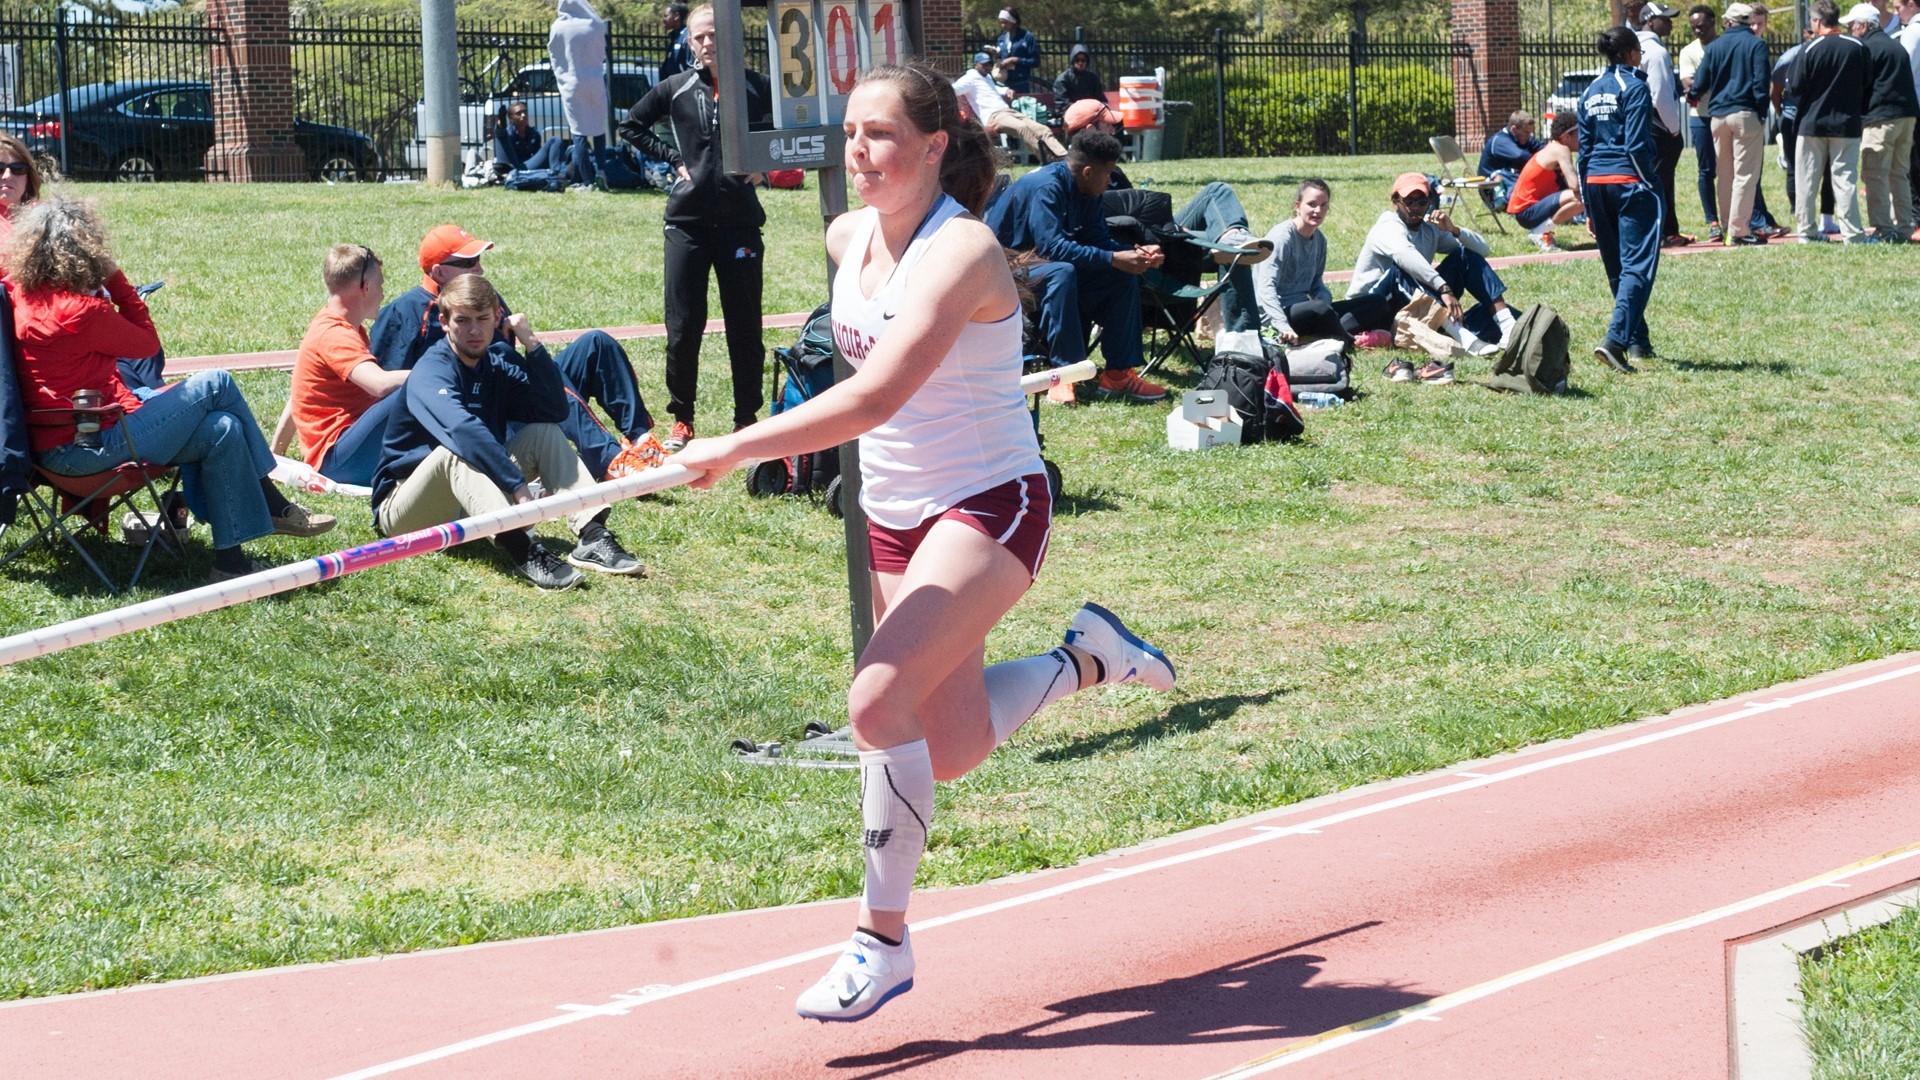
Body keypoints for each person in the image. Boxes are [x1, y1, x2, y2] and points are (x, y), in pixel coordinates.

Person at [670, 60, 1174, 1025]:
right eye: (850, 133)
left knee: (876, 701)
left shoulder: (965, 251)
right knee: (952, 746)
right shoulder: (846, 234)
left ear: (936, 146)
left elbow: (876, 396)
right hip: (894, 515)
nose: (859, 151)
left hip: (989, 503)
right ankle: (1091, 659)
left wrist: (735, 447)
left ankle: (882, 942)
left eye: (882, 135)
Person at [4, 199, 335, 582]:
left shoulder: (19, 295)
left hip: (53, 445)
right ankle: (272, 501)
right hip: (88, 449)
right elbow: (146, 344)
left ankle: (230, 563)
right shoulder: (80, 311)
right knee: (218, 382)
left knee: (222, 428)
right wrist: (115, 279)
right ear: (85, 252)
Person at [371, 273, 644, 590]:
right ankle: (524, 550)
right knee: (454, 453)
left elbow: (554, 410)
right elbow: (462, 431)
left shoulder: (496, 365)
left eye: (482, 319)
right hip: (407, 509)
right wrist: (517, 486)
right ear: (444, 322)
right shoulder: (431, 370)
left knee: (543, 432)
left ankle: (592, 534)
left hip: (475, 495)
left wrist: (532, 345)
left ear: (497, 318)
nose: (474, 331)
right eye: (463, 320)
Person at [367, 224, 654, 480]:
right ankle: (609, 459)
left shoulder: (483, 296)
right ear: (439, 272)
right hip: (478, 412)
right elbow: (391, 395)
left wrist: (531, 345)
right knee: (556, 387)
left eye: (479, 260)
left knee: (596, 344)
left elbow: (511, 363)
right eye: (468, 263)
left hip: (511, 393)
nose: (479, 269)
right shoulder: (406, 312)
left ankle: (641, 440)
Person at [617, 3, 771, 451]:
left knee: (746, 326)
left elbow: (788, 130)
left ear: (731, 35)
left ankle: (747, 420)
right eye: (698, 36)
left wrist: (764, 165)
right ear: (689, 41)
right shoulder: (676, 86)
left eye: (713, 34)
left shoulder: (758, 87)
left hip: (740, 223)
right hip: (686, 224)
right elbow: (630, 125)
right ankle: (682, 418)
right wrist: (673, 159)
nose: (706, 43)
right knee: (683, 327)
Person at [984, 130, 1171, 403]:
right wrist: (1113, 258)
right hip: (1005, 269)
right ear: (1087, 171)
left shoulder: (1087, 188)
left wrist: (1131, 254)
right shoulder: (1047, 187)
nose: (1110, 181)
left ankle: (1118, 375)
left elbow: (1097, 239)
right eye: (1107, 174)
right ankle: (1065, 374)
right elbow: (1051, 248)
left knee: (1121, 276)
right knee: (1062, 272)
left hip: (1044, 266)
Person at [1346, 172, 1522, 383]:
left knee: (1465, 257)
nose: (1415, 207)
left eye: (1422, 201)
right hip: (1374, 309)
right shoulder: (1387, 225)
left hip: (1417, 307)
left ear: (1430, 202)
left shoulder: (1429, 228)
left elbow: (1482, 251)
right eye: (1408, 201)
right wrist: (1443, 288)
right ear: (1395, 201)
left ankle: (1508, 327)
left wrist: (1454, 230)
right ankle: (1463, 337)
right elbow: (1404, 255)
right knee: (1401, 270)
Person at [273, 245, 406, 487]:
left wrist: (274, 455)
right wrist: (435, 372)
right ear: (365, 287)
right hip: (338, 461)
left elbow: (297, 396)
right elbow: (379, 384)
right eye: (380, 285)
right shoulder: (335, 334)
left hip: (339, 455)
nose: (383, 294)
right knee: (410, 392)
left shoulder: (336, 324)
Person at [1581, 27, 1664, 374]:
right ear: (1630, 54)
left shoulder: (1590, 90)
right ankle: (1615, 342)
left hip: (1595, 183)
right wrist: (1649, 182)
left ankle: (1637, 340)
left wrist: (1588, 204)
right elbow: (1636, 144)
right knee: (1637, 266)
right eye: (1639, 53)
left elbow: (1584, 151)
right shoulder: (1635, 86)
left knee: (1617, 267)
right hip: (1629, 182)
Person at [1253, 179, 1377, 347]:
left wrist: (1324, 298)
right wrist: (1282, 325)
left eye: (1323, 205)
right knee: (1320, 309)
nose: (1318, 211)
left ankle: (1329, 331)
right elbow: (1265, 288)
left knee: (1376, 303)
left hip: (1308, 309)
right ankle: (1349, 340)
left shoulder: (1320, 240)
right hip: (1276, 315)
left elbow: (1316, 284)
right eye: (1312, 204)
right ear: (1297, 206)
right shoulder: (1281, 238)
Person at [1687, 2, 1773, 245]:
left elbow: (1700, 81)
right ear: (1749, 21)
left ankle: (1728, 227)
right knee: (1745, 175)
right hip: (1745, 113)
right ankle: (1738, 231)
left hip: (1717, 117)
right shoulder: (1756, 44)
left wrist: (1692, 96)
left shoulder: (1715, 46)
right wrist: (1762, 113)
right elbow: (1760, 83)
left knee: (1725, 175)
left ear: (1728, 22)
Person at [1791, 0, 1874, 241]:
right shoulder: (1857, 46)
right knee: (1845, 179)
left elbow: (1795, 86)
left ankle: (1806, 232)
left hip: (1812, 123)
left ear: (1817, 21)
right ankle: (1852, 234)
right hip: (1847, 122)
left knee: (1807, 179)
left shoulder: (1810, 48)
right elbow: (1868, 82)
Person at [1848, 1, 1920, 240]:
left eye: (1852, 26)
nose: (1850, 30)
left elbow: (1861, 86)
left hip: (1881, 119)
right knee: (1899, 174)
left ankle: (1883, 229)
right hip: (1907, 116)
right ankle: (1905, 226)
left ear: (1863, 26)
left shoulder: (1865, 49)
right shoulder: (1895, 45)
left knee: (1875, 174)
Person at [1776, 26, 1842, 233]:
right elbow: (1775, 88)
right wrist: (1782, 113)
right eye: (1812, 34)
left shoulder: (1830, 54)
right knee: (1795, 167)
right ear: (1806, 34)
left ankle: (1826, 217)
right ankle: (1798, 212)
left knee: (1828, 169)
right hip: (1793, 117)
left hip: (1820, 117)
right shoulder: (1791, 56)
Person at [1638, 3, 1695, 244]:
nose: (1670, 23)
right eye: (1665, 19)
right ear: (1650, 21)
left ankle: (1665, 230)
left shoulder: (1633, 47)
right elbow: (1660, 95)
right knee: (1661, 180)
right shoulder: (1656, 52)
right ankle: (1663, 232)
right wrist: (1674, 129)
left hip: (1641, 122)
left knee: (1651, 179)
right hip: (1659, 124)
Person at [952, 51, 1067, 163]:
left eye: (989, 64)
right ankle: (1048, 161)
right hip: (994, 116)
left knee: (1042, 129)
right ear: (975, 65)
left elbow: (994, 90)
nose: (987, 67)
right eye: (984, 64)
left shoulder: (987, 77)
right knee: (1022, 128)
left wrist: (1006, 89)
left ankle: (1064, 157)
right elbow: (953, 89)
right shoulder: (970, 78)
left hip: (1007, 111)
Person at [550, 0, 611, 190]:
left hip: (572, 82)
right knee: (598, 128)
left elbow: (554, 52)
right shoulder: (596, 24)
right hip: (595, 80)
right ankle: (601, 170)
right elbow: (602, 50)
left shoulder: (559, 27)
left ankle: (587, 180)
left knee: (579, 132)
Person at [1506, 113, 1588, 251]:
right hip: (1526, 211)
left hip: (1527, 210)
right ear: (1566, 137)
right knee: (1582, 197)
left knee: (1582, 196)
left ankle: (1542, 231)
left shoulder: (1554, 148)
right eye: (1579, 133)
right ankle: (1540, 232)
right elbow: (1574, 185)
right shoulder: (1561, 150)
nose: (1582, 137)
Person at [1478, 110, 1548, 177]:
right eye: (1526, 132)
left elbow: (1544, 148)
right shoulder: (1500, 141)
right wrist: (1544, 160)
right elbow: (1520, 156)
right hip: (1493, 182)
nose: (1529, 135)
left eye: (1530, 132)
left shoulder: (1525, 138)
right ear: (1513, 129)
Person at [994, 8, 1040, 93]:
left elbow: (1035, 61)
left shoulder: (1027, 37)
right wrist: (996, 55)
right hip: (1003, 84)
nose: (1003, 25)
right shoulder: (1002, 38)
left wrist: (1015, 60)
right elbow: (999, 60)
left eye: (1005, 22)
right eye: (1001, 22)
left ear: (1013, 21)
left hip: (1020, 84)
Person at [659, 3, 692, 82]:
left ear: (676, 16)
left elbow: (690, 67)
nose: (663, 20)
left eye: (666, 16)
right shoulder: (674, 37)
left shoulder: (686, 37)